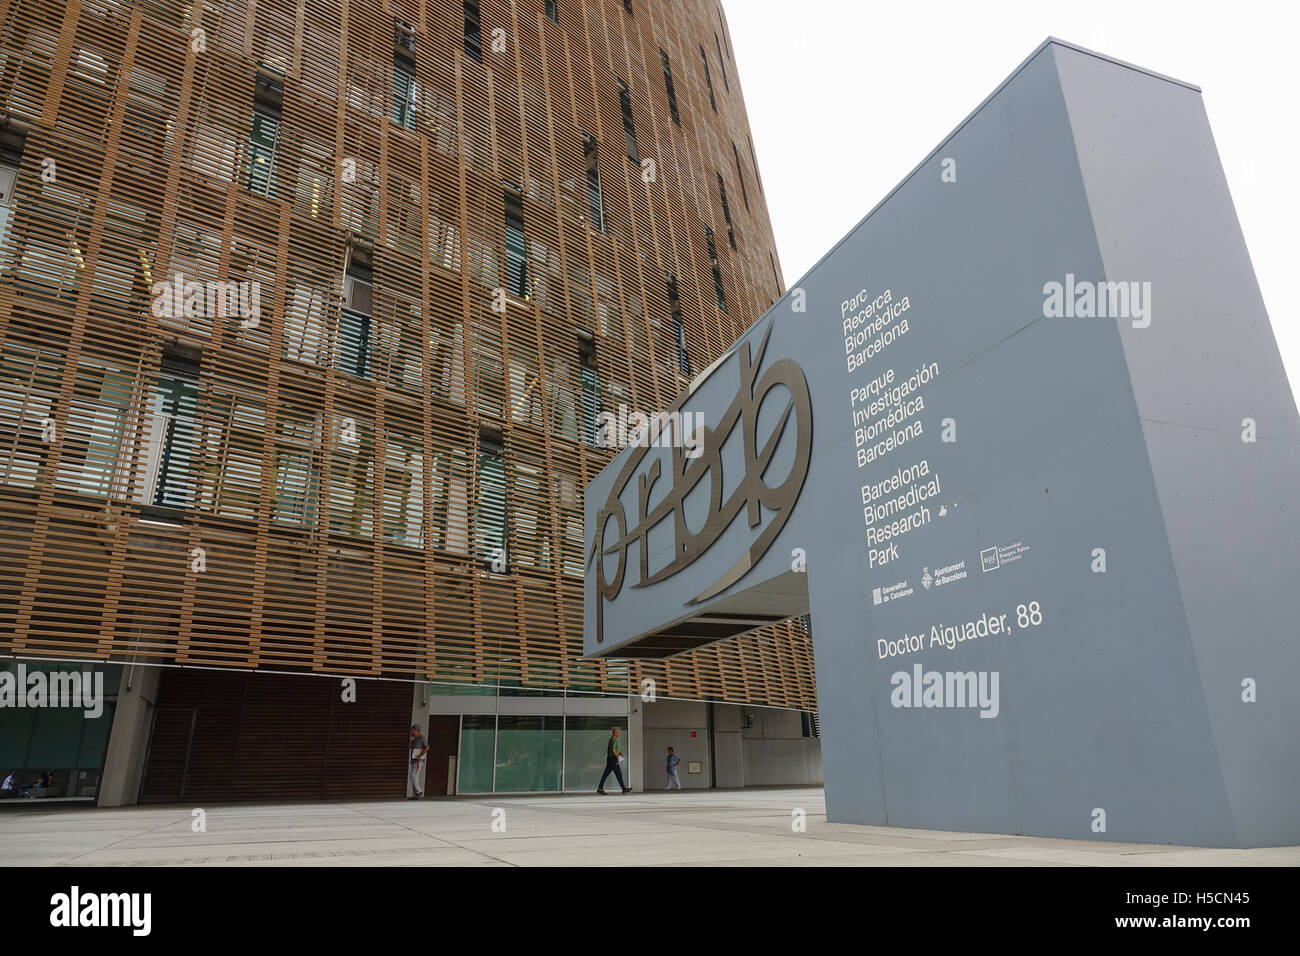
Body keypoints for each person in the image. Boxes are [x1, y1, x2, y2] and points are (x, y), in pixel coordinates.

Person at [596, 726, 631, 794]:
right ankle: (624, 789)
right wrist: (617, 756)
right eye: (618, 732)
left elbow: (614, 749)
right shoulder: (613, 739)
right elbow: (613, 749)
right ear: (614, 732)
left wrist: (619, 753)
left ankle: (600, 788)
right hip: (613, 759)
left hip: (610, 759)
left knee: (606, 774)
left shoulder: (613, 739)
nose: (619, 733)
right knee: (619, 774)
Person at [408, 724, 428, 799]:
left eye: (412, 730)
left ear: (416, 730)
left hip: (419, 760)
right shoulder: (415, 739)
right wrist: (410, 738)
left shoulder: (421, 737)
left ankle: (419, 791)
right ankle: (415, 795)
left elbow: (427, 747)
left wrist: (420, 755)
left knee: (412, 775)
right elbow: (410, 747)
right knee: (415, 776)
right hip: (414, 760)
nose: (411, 732)